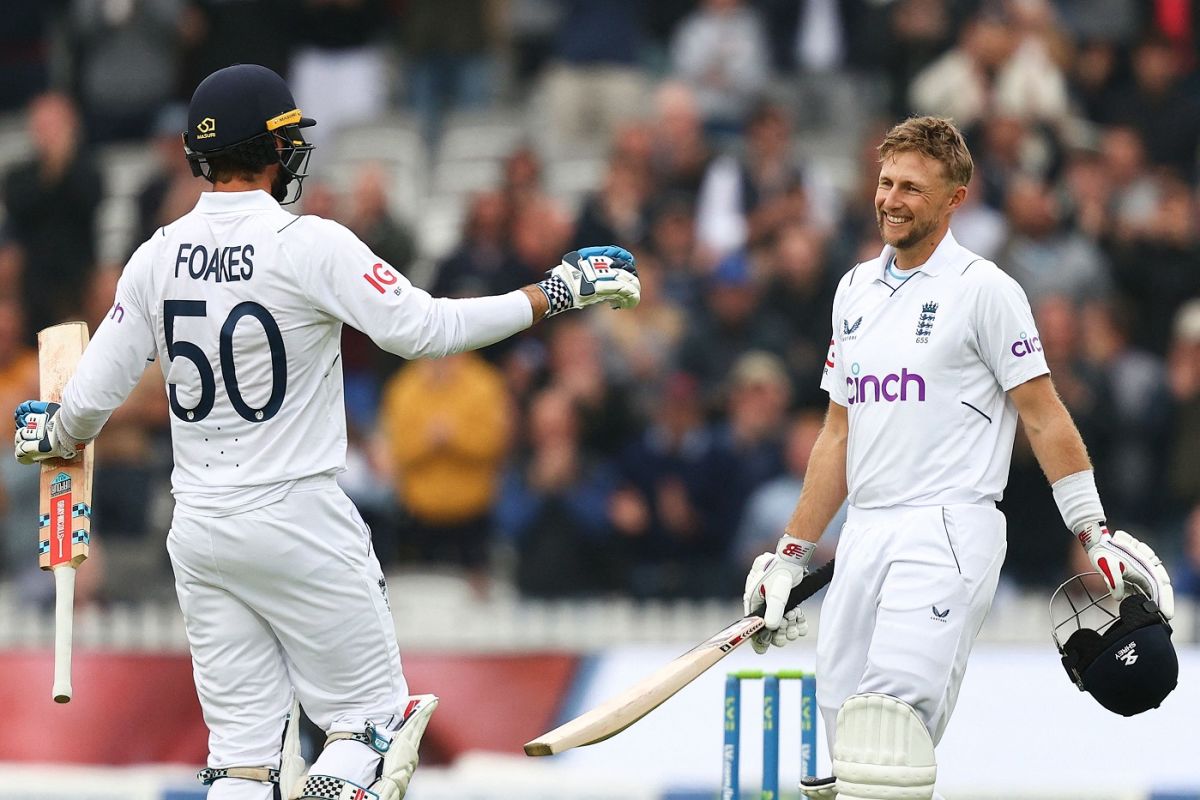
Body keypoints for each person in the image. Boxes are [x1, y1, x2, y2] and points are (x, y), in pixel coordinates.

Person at [11, 63, 639, 800]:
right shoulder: (308, 245)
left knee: (242, 756)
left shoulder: (155, 256)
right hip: (297, 517)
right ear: (269, 150)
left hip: (201, 529)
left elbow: (88, 402)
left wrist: (49, 428)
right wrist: (555, 291)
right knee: (371, 725)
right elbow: (427, 331)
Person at [740, 116, 1173, 800]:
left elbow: (1043, 412)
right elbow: (836, 436)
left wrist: (1093, 532)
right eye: (886, 182)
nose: (891, 199)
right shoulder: (852, 291)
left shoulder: (986, 290)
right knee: (842, 762)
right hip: (865, 531)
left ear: (953, 199)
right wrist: (793, 553)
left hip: (947, 528)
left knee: (886, 738)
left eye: (912, 187)